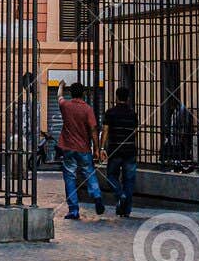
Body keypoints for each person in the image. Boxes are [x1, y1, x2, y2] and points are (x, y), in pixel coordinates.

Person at [55, 82, 104, 220]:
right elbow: (93, 129)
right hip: (84, 148)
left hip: (68, 147)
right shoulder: (87, 109)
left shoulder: (66, 106)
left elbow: (59, 96)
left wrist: (61, 86)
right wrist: (97, 148)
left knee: (70, 177)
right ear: (83, 94)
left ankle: (74, 210)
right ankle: (97, 195)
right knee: (89, 172)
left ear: (71, 93)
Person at [99, 86, 138, 218]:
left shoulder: (110, 113)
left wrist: (102, 148)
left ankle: (119, 193)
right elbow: (134, 132)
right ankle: (125, 210)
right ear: (128, 98)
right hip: (130, 150)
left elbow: (105, 131)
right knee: (129, 180)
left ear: (116, 97)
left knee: (111, 176)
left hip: (115, 150)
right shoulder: (133, 114)